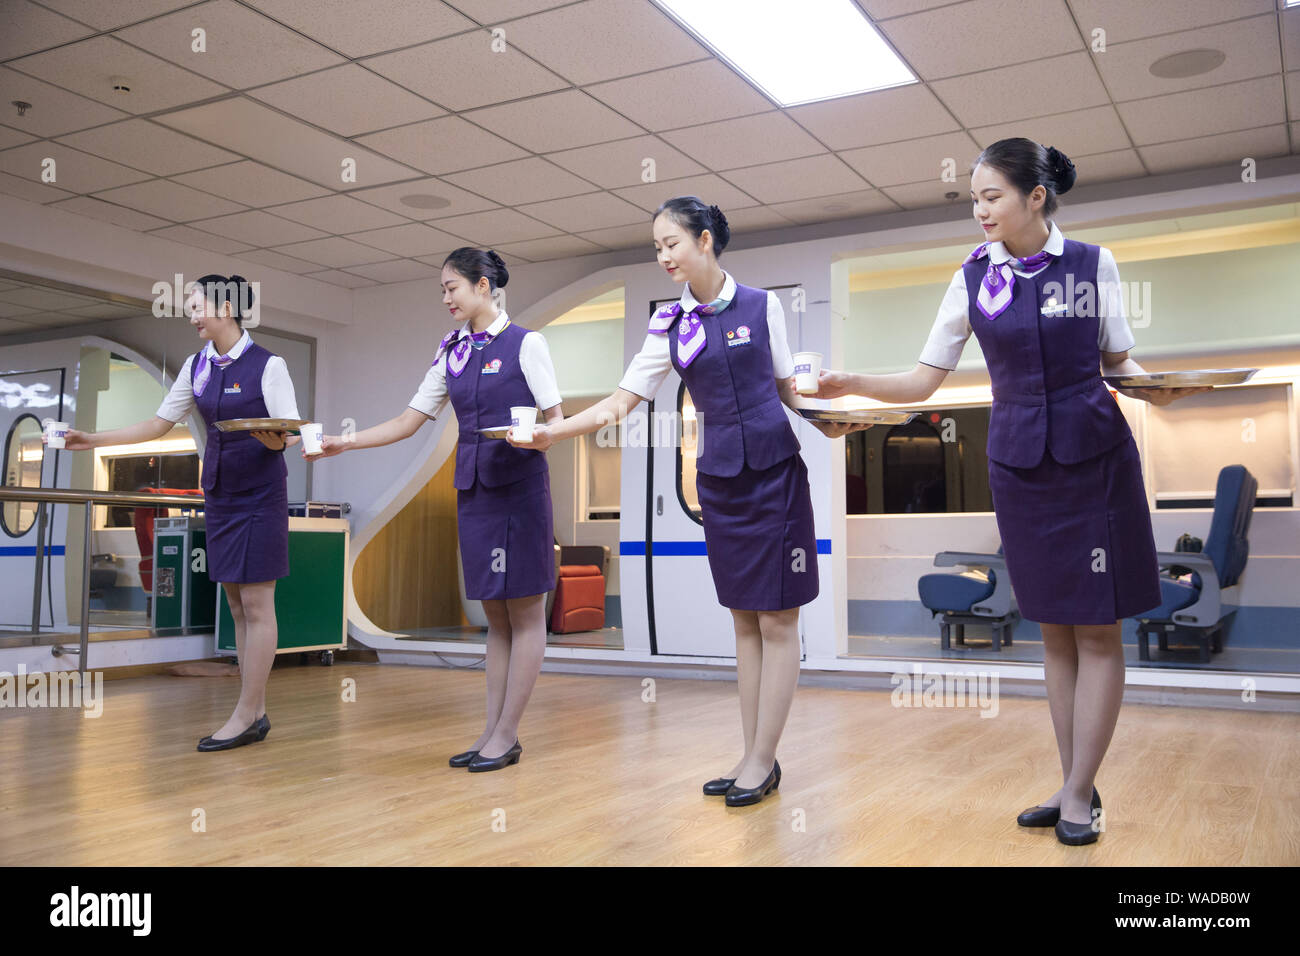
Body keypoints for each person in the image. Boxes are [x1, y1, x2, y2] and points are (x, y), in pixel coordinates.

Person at [814, 140, 1208, 844]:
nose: (980, 210)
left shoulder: (1092, 264)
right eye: (973, 198)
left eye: (992, 196)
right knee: (1053, 628)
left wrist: (1162, 391)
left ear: (1036, 196)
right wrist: (855, 384)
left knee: (1098, 626)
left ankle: (1081, 791)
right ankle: (1072, 783)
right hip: (1021, 467)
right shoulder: (971, 276)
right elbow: (922, 381)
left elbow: (1119, 362)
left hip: (1096, 461)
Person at [508, 197, 864, 806]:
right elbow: (621, 401)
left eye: (670, 242)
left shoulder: (762, 304)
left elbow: (786, 390)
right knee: (743, 621)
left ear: (704, 241)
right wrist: (554, 431)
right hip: (720, 481)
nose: (662, 255)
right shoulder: (667, 324)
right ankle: (753, 757)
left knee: (778, 620)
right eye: (656, 246)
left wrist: (826, 421)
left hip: (775, 476)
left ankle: (762, 758)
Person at [309, 248, 562, 773]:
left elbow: (555, 420)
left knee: (525, 612)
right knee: (495, 615)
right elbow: (409, 420)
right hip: (474, 492)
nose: (445, 298)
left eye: (453, 287)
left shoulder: (526, 343)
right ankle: (491, 731)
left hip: (519, 490)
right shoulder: (451, 348)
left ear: (484, 286)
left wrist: (536, 438)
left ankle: (508, 734)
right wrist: (344, 443)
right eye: (443, 289)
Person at [61, 273, 301, 751]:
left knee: (258, 603)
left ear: (226, 309)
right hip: (221, 495)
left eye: (197, 305)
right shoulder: (198, 365)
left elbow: (290, 433)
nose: (191, 314)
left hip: (259, 496)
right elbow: (158, 421)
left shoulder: (268, 365)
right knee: (235, 604)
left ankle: (249, 711)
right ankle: (252, 708)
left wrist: (277, 439)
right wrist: (93, 439)